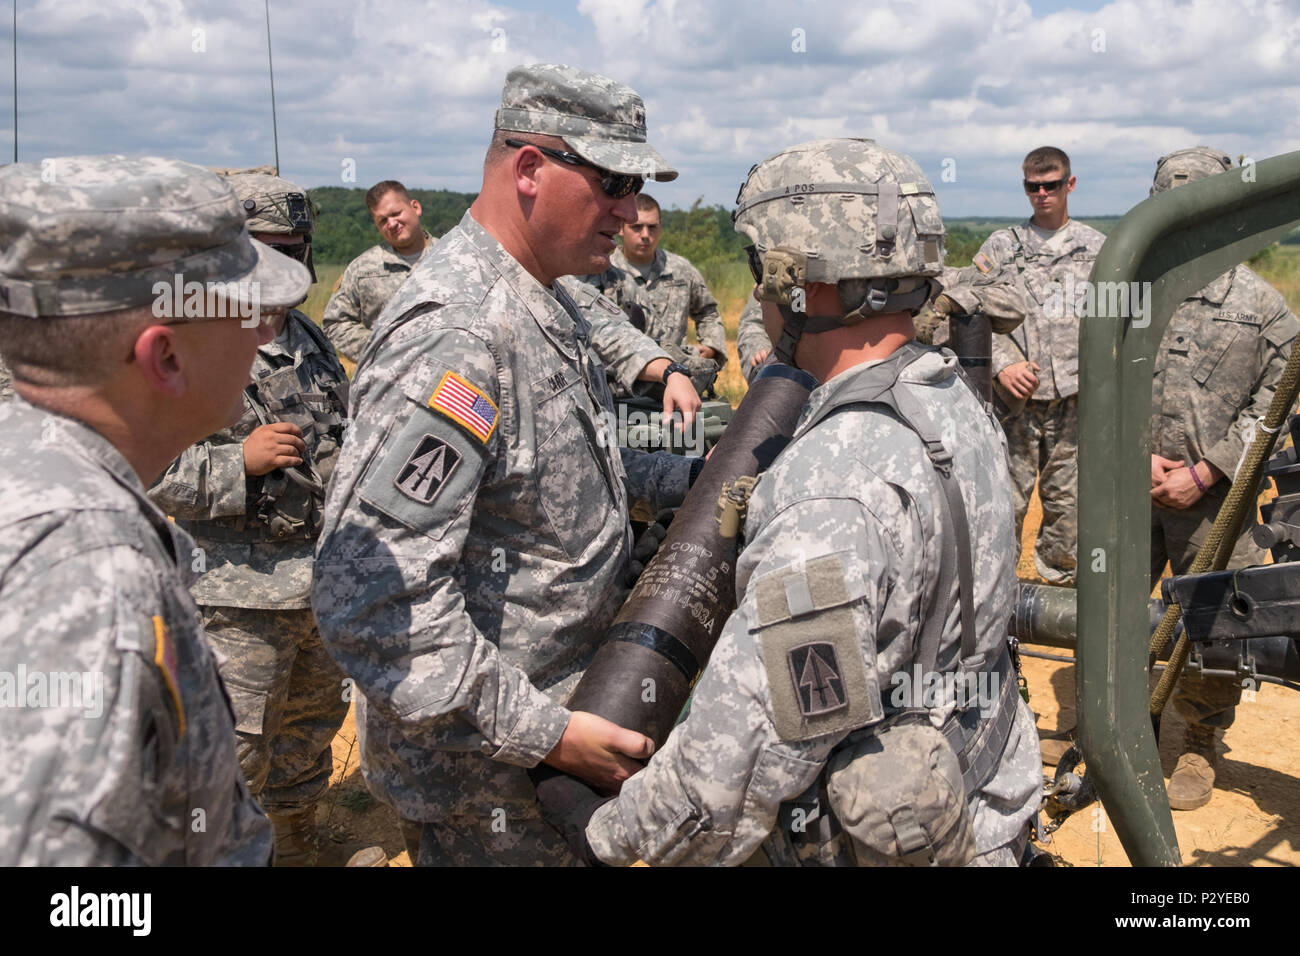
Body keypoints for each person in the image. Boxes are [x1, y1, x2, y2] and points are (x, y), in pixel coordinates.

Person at [539, 137, 1041, 867]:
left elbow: (746, 754)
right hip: (981, 802)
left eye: (760, 271)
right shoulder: (951, 398)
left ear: (801, 287)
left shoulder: (830, 483)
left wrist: (609, 831)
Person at [312, 62, 702, 866]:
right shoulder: (456, 336)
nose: (631, 210)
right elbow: (372, 600)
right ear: (529, 169)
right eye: (614, 182)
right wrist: (550, 735)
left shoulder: (545, 293)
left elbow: (558, 466)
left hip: (553, 740)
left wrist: (700, 478)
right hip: (487, 781)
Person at [0, 155, 288, 865]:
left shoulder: (35, 469)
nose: (262, 336)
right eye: (246, 313)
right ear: (164, 358)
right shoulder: (89, 579)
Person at [147, 171, 381, 866]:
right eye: (266, 248)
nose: (286, 265)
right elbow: (137, 465)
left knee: (307, 734)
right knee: (230, 750)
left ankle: (293, 848)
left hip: (317, 586)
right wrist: (234, 464)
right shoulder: (182, 336)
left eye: (296, 247)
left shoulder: (306, 333)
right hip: (230, 595)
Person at [1146, 147, 1299, 810]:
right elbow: (1094, 377)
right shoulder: (1128, 294)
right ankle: (1115, 726)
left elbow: (1282, 397)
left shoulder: (1262, 308)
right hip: (1129, 488)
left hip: (1213, 501)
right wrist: (1132, 459)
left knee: (1215, 618)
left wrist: (1210, 469)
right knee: (1110, 606)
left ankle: (1198, 745)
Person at [981, 147, 1107, 584]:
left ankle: (1062, 609)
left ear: (1069, 184)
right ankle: (995, 609)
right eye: (1032, 186)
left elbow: (1117, 321)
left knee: (1068, 513)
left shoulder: (1098, 249)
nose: (1041, 194)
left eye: (1051, 185)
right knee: (1001, 507)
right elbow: (970, 311)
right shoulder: (1001, 247)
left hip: (1074, 404)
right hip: (1012, 404)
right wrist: (1001, 366)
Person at [583, 193, 728, 388]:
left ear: (660, 228)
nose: (645, 235)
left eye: (652, 227)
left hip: (678, 380)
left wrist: (711, 347)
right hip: (621, 388)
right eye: (636, 227)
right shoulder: (602, 271)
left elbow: (708, 311)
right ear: (621, 229)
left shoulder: (681, 270)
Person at [322, 180, 434, 362]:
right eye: (382, 220)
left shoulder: (451, 256)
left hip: (450, 380)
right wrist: (381, 350)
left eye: (396, 214)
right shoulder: (363, 268)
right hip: (388, 382)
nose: (391, 223)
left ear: (415, 207)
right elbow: (335, 323)